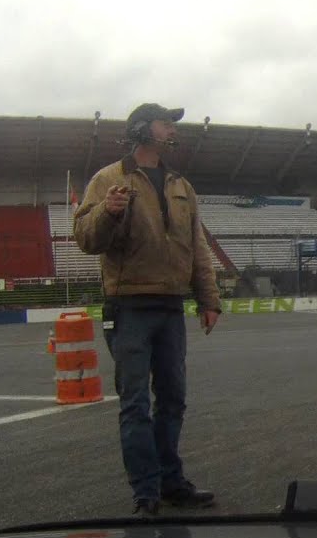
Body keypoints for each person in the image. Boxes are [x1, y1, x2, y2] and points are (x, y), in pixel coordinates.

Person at [74, 103, 221, 516]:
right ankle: (146, 491)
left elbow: (197, 247)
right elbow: (86, 238)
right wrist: (109, 211)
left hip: (171, 307)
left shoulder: (181, 185)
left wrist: (208, 299)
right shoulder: (108, 179)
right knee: (135, 403)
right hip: (129, 307)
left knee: (173, 399)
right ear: (142, 129)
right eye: (164, 122)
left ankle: (171, 482)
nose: (172, 128)